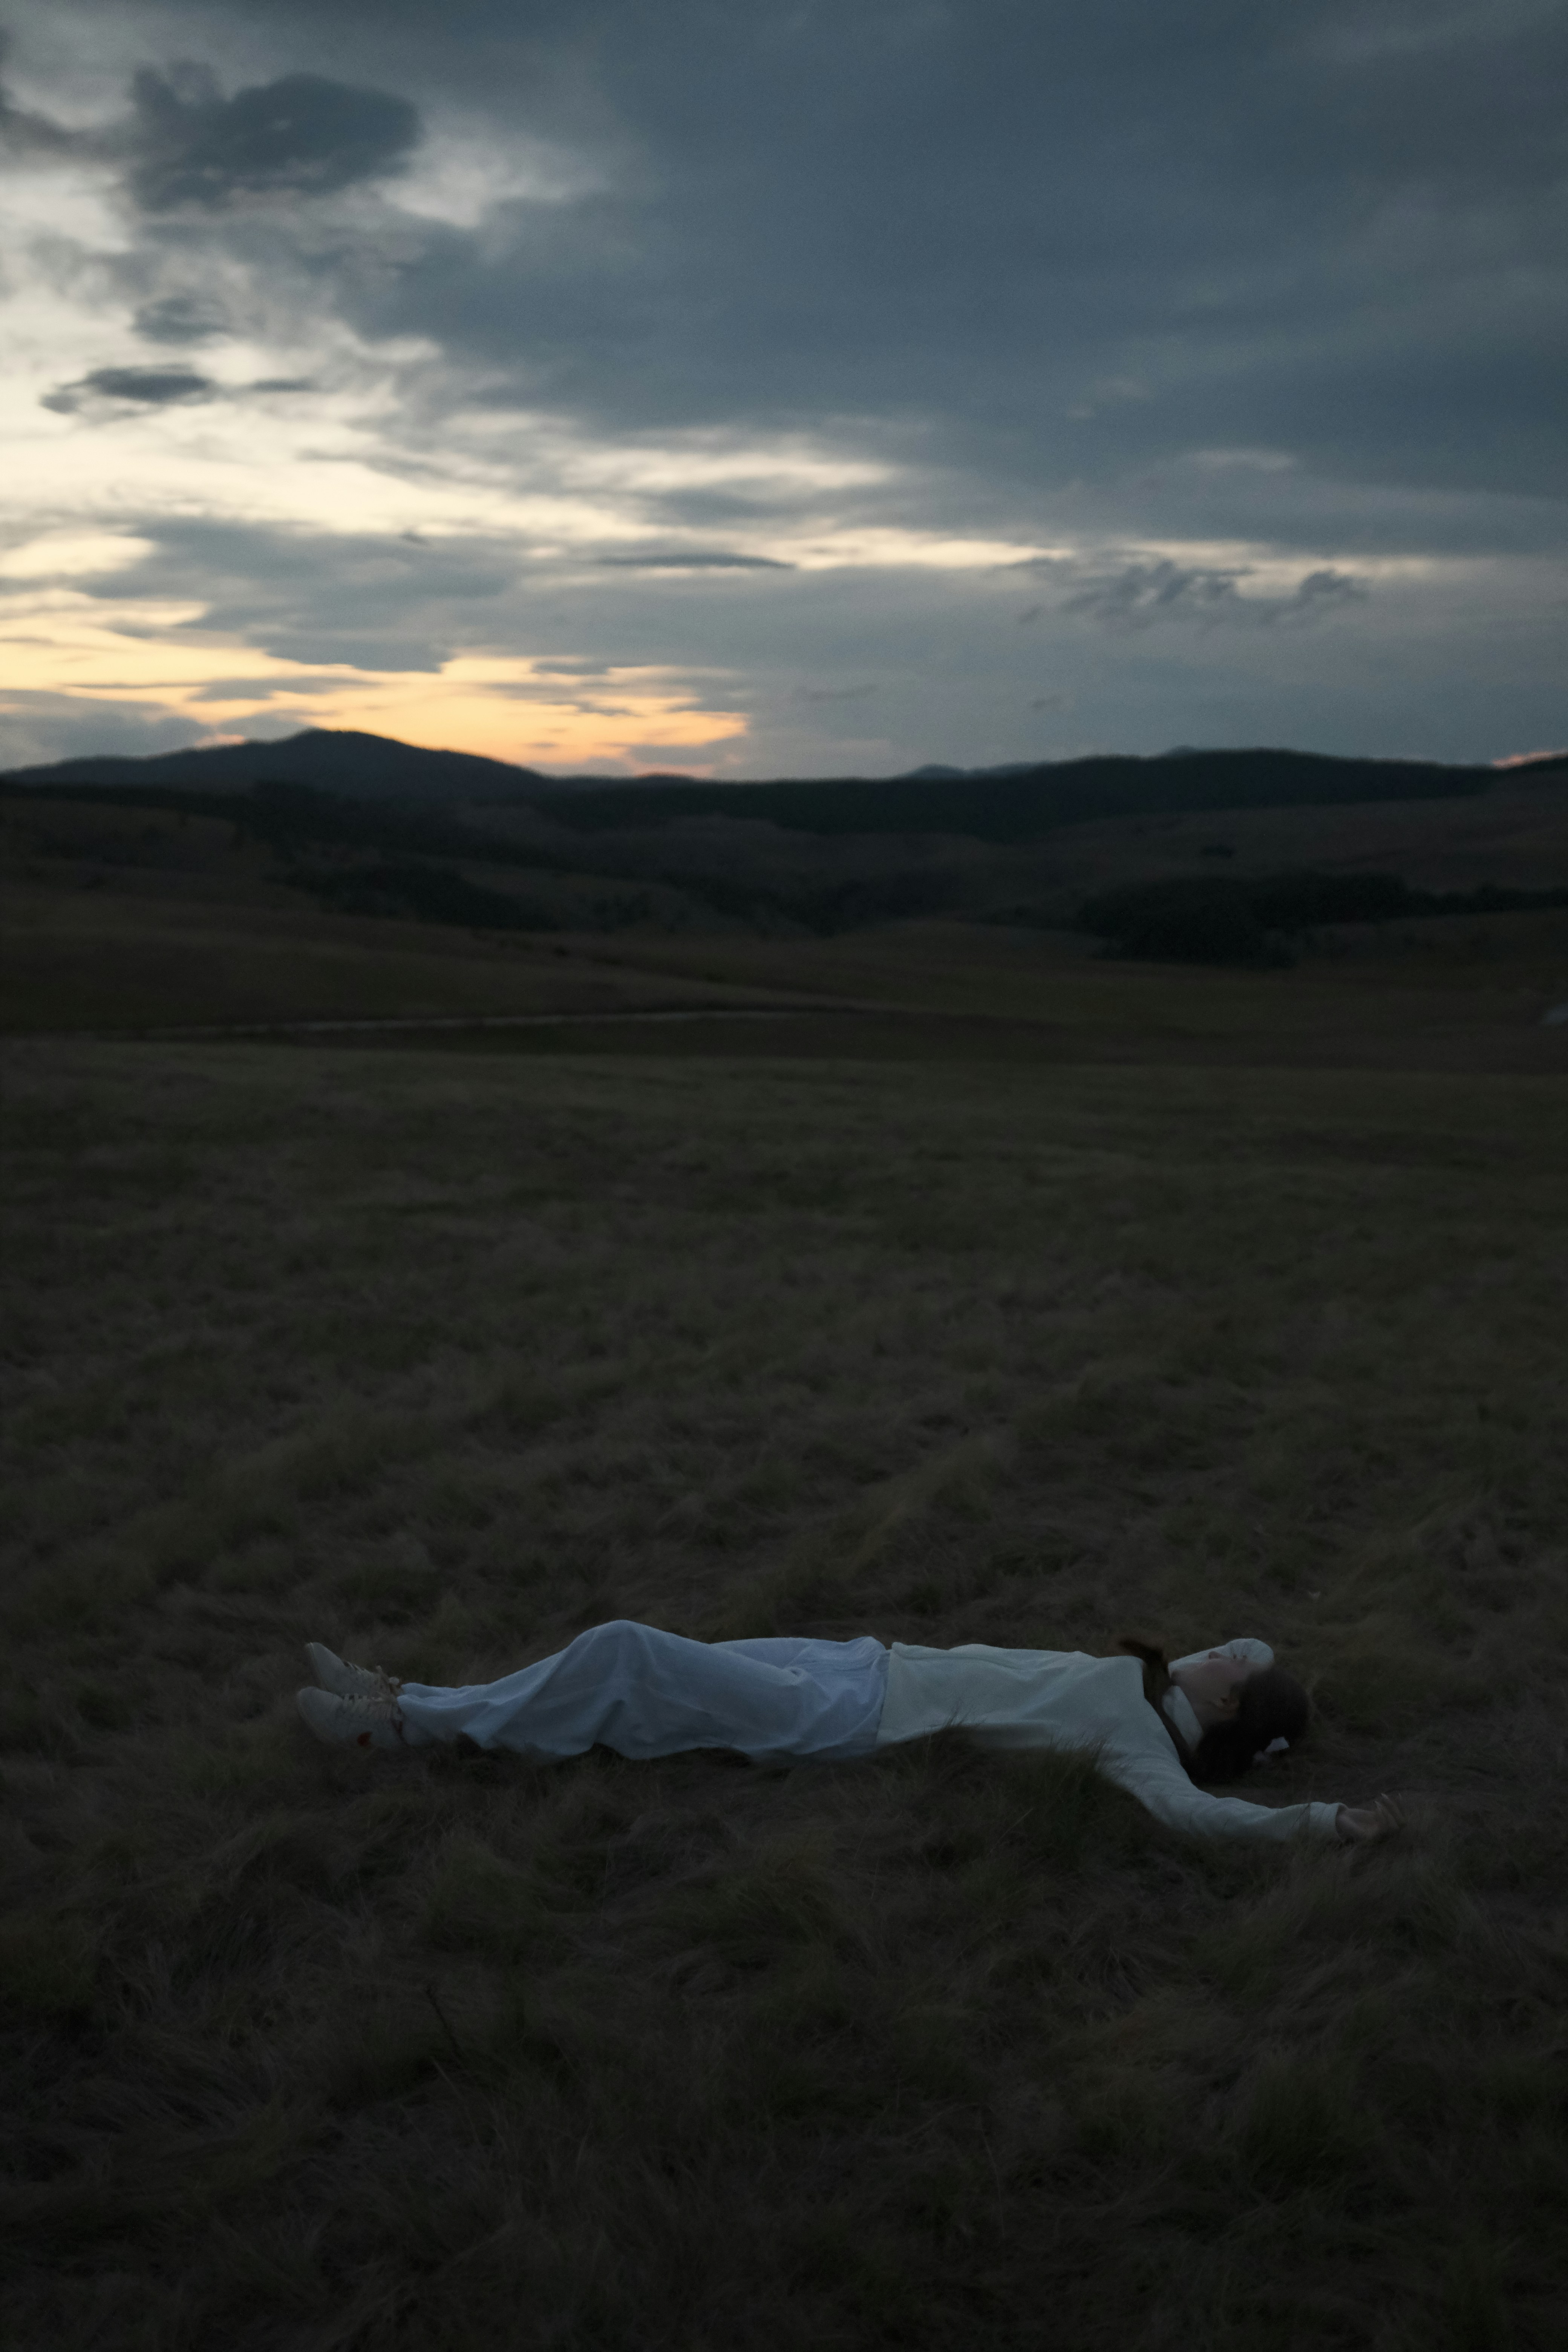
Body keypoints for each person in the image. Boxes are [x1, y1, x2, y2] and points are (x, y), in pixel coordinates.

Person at [296, 1621, 1405, 1845]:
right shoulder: (1159, 1685)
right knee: (635, 1679)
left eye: (1228, 1667)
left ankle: (408, 1724)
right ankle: (422, 1701)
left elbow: (1200, 1821)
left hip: (850, 1717)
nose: (1218, 1647)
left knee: (627, 1652)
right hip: (863, 1660)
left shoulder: (1139, 1743)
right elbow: (1247, 1652)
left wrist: (1314, 1818)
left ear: (1216, 1706)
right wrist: (1267, 1702)